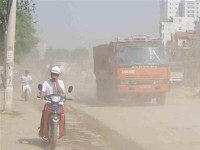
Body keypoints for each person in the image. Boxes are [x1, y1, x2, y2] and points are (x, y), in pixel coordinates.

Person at [38, 66, 65, 139]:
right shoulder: (46, 82)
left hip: (59, 103)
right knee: (44, 113)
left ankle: (62, 130)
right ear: (50, 74)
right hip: (49, 103)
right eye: (53, 74)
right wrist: (41, 95)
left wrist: (56, 82)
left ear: (58, 75)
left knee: (63, 114)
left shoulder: (61, 82)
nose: (54, 76)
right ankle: (42, 130)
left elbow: (61, 92)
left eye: (56, 75)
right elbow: (43, 92)